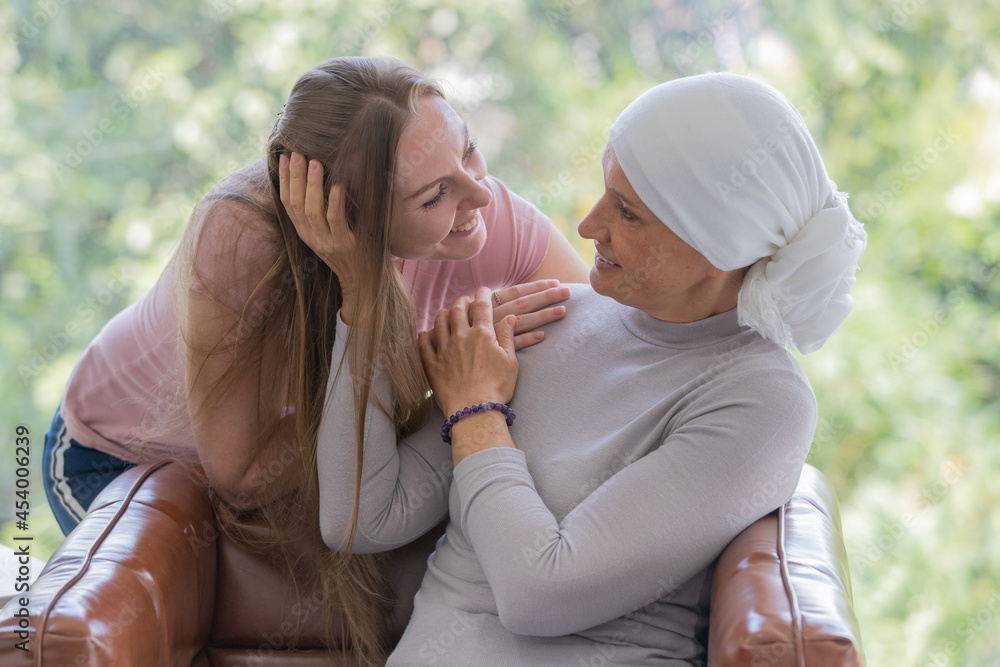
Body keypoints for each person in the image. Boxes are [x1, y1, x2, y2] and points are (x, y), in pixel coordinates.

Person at [41, 56, 588, 664]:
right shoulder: (245, 238)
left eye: (469, 152)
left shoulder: (481, 216)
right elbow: (243, 474)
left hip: (297, 465)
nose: (481, 193)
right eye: (435, 193)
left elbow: (599, 351)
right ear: (347, 216)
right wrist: (419, 347)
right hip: (120, 455)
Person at [317, 72, 867, 665]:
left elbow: (539, 595)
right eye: (606, 190)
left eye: (627, 213)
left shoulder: (759, 400)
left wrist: (476, 413)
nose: (587, 225)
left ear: (719, 250)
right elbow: (362, 520)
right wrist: (366, 301)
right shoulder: (550, 313)